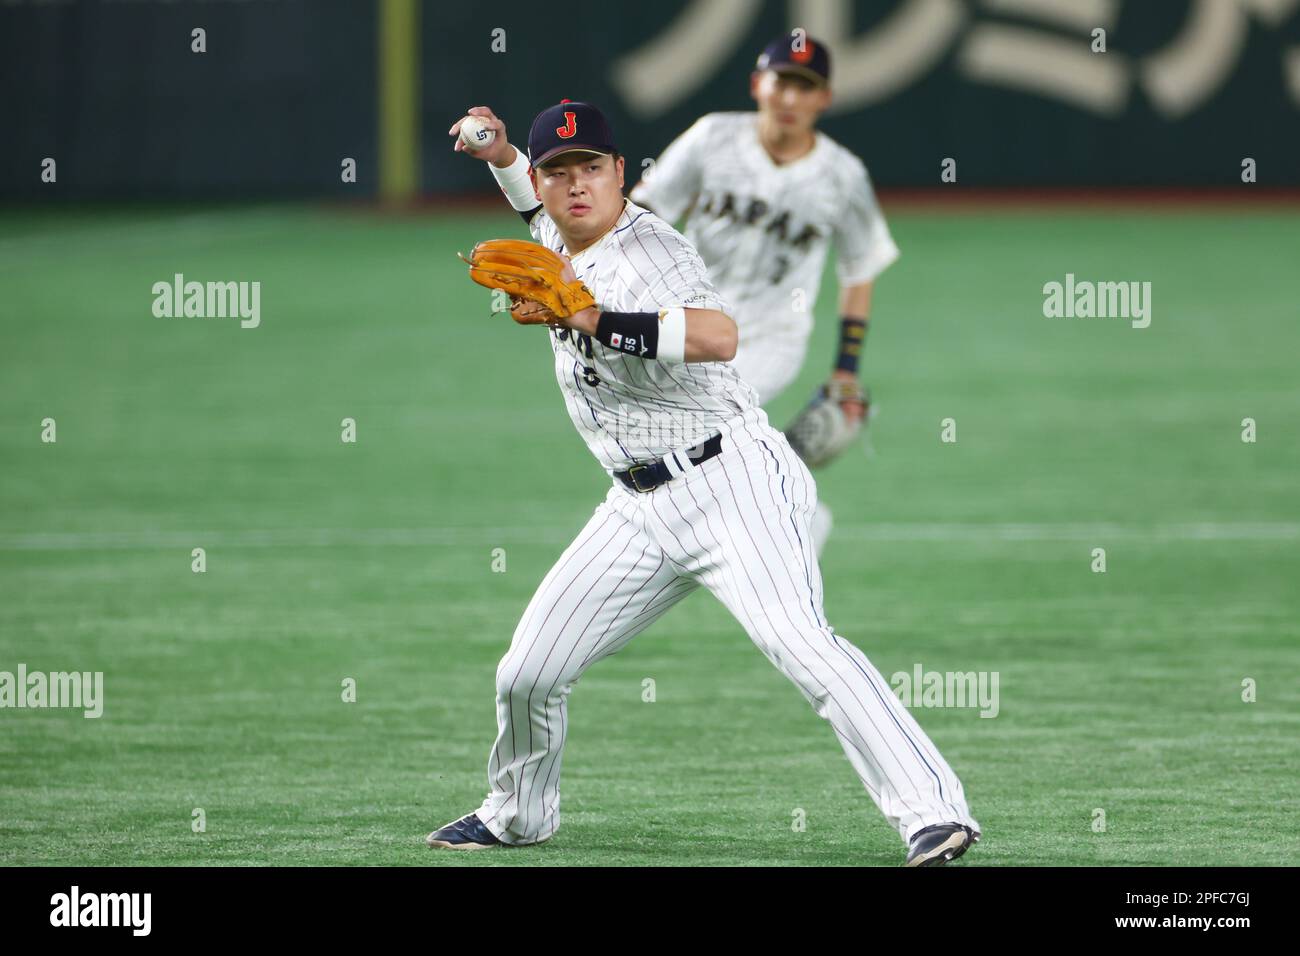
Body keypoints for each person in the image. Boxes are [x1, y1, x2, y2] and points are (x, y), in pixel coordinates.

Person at [427, 99, 979, 865]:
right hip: (636, 507)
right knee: (528, 673)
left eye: (591, 167)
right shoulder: (557, 225)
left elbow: (721, 337)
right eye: (559, 172)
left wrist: (596, 321)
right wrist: (497, 154)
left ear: (621, 174)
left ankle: (935, 814)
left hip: (733, 482)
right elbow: (534, 206)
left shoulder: (651, 249)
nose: (574, 185)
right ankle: (518, 815)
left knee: (800, 645)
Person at [631, 34, 899, 552]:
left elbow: (860, 270)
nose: (792, 99)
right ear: (759, 85)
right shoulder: (712, 138)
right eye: (783, 83)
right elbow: (645, 211)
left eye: (807, 87)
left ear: (825, 99)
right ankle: (800, 508)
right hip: (689, 324)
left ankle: (788, 520)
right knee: (685, 448)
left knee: (696, 437)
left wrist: (846, 368)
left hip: (773, 337)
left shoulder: (843, 176)